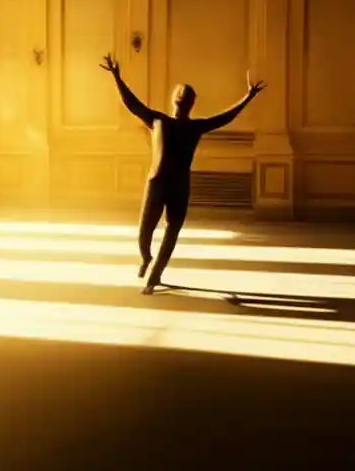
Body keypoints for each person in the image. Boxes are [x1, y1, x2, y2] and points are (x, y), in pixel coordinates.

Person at [100, 53, 266, 294]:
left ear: (186, 102)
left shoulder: (185, 125)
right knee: (151, 231)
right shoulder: (160, 121)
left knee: (165, 230)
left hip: (173, 185)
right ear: (179, 101)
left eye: (185, 96)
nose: (182, 98)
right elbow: (132, 104)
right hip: (162, 184)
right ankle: (148, 262)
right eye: (181, 95)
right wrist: (116, 77)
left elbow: (224, 117)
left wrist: (248, 97)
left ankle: (153, 275)